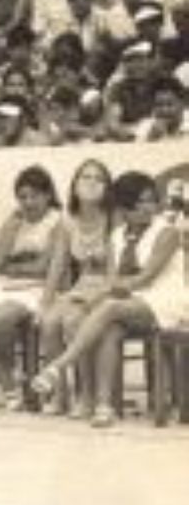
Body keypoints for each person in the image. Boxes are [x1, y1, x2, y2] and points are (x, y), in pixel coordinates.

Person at [34, 171, 185, 425]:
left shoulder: (167, 232)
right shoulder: (117, 235)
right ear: (124, 209)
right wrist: (101, 295)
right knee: (107, 329)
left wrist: (105, 293)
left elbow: (145, 278)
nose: (147, 207)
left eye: (151, 200)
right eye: (138, 203)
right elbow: (113, 279)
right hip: (129, 303)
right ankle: (104, 405)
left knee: (110, 307)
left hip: (166, 300)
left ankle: (58, 366)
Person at [0, 166, 62, 409]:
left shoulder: (57, 222)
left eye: (34, 196)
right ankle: (8, 378)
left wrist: (15, 267)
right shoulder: (15, 221)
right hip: (4, 285)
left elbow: (44, 267)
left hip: (38, 288)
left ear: (48, 195)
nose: (28, 203)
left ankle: (8, 380)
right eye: (23, 197)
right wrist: (9, 230)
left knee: (2, 319)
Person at [35, 158, 116, 416]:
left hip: (108, 287)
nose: (91, 183)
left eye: (98, 178)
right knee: (49, 322)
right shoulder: (68, 221)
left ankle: (87, 395)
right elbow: (57, 265)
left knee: (74, 321)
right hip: (81, 286)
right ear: (75, 184)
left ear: (107, 186)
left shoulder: (113, 218)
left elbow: (115, 272)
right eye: (85, 177)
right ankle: (59, 395)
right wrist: (46, 301)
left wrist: (98, 296)